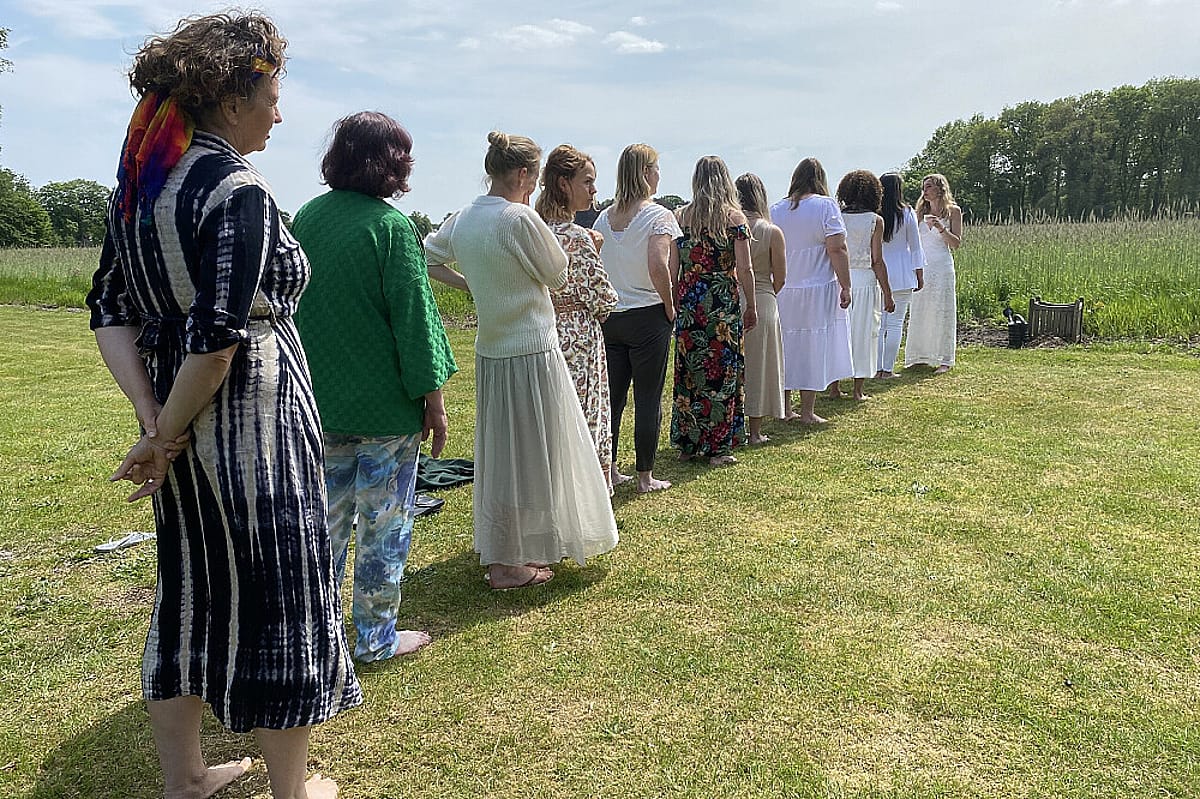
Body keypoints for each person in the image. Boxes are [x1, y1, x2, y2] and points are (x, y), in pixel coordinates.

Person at [85, 13, 359, 799]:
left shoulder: (139, 188)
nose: (280, 112)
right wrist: (164, 430)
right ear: (233, 97)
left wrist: (152, 422)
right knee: (278, 592)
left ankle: (186, 776)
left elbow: (109, 308)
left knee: (192, 589)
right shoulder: (236, 187)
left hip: (176, 413)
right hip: (252, 421)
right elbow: (218, 340)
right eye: (273, 94)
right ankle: (292, 788)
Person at [292, 112, 457, 663]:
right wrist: (433, 400)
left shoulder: (305, 218)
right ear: (392, 164)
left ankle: (314, 636)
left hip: (317, 399)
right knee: (385, 526)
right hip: (385, 409)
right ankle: (375, 637)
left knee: (323, 525)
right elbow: (415, 321)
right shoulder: (391, 228)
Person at [424, 131, 617, 590]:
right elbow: (557, 272)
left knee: (503, 454)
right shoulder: (520, 218)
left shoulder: (465, 216)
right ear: (524, 174)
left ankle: (510, 550)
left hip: (491, 349)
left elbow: (428, 257)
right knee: (542, 450)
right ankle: (515, 560)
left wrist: (473, 285)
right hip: (532, 349)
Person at [593, 144, 681, 493]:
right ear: (646, 172)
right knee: (648, 396)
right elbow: (658, 264)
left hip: (612, 316)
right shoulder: (659, 216)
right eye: (656, 167)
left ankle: (611, 467)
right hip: (647, 315)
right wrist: (669, 303)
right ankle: (645, 475)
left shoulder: (604, 217)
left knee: (613, 398)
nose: (659, 174)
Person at [535, 145, 619, 491]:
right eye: (587, 182)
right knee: (586, 415)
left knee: (550, 421)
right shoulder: (577, 239)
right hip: (579, 337)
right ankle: (585, 499)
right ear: (563, 183)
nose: (594, 190)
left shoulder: (531, 231)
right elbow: (604, 300)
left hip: (542, 332)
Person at [670, 156, 757, 465]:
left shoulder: (679, 217)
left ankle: (688, 444)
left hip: (690, 300)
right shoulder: (734, 219)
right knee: (722, 371)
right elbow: (745, 268)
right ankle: (718, 448)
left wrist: (673, 300)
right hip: (721, 300)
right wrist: (752, 305)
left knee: (691, 371)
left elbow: (673, 267)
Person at [769, 157, 852, 424]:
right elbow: (836, 248)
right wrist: (846, 284)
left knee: (786, 345)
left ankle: (784, 407)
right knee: (812, 346)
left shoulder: (776, 209)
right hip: (817, 287)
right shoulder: (826, 206)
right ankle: (806, 411)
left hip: (783, 287)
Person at [834, 169, 895, 401]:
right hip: (865, 281)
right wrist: (888, 293)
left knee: (840, 332)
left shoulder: (837, 216)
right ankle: (857, 390)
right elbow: (877, 260)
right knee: (864, 333)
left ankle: (834, 386)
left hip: (841, 279)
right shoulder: (875, 220)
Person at [735, 172, 787, 440]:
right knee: (761, 366)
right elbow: (781, 276)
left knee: (737, 366)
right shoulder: (771, 231)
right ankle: (755, 431)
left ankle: (733, 426)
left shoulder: (729, 227)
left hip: (734, 297)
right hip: (764, 298)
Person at [905, 173, 963, 374]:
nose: (925, 191)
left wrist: (940, 227)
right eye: (924, 187)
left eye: (929, 186)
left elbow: (956, 243)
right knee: (921, 309)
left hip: (942, 265)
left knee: (942, 309)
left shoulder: (953, 212)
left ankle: (944, 359)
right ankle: (919, 355)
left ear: (940, 189)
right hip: (923, 266)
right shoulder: (918, 212)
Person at [876, 172, 925, 378]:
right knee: (895, 323)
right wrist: (919, 273)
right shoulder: (906, 213)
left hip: (879, 272)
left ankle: (875, 367)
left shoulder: (875, 214)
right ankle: (887, 369)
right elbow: (915, 246)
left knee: (879, 324)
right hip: (902, 272)